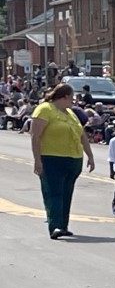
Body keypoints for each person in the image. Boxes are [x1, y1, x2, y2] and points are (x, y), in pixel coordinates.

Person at [29, 82, 95, 239]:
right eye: (71, 98)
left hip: (73, 159)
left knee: (66, 193)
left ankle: (63, 225)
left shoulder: (70, 113)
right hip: (52, 158)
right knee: (54, 193)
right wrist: (37, 160)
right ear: (64, 97)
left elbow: (82, 135)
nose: (73, 101)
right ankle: (55, 226)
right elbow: (35, 136)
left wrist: (90, 155)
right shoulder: (45, 109)